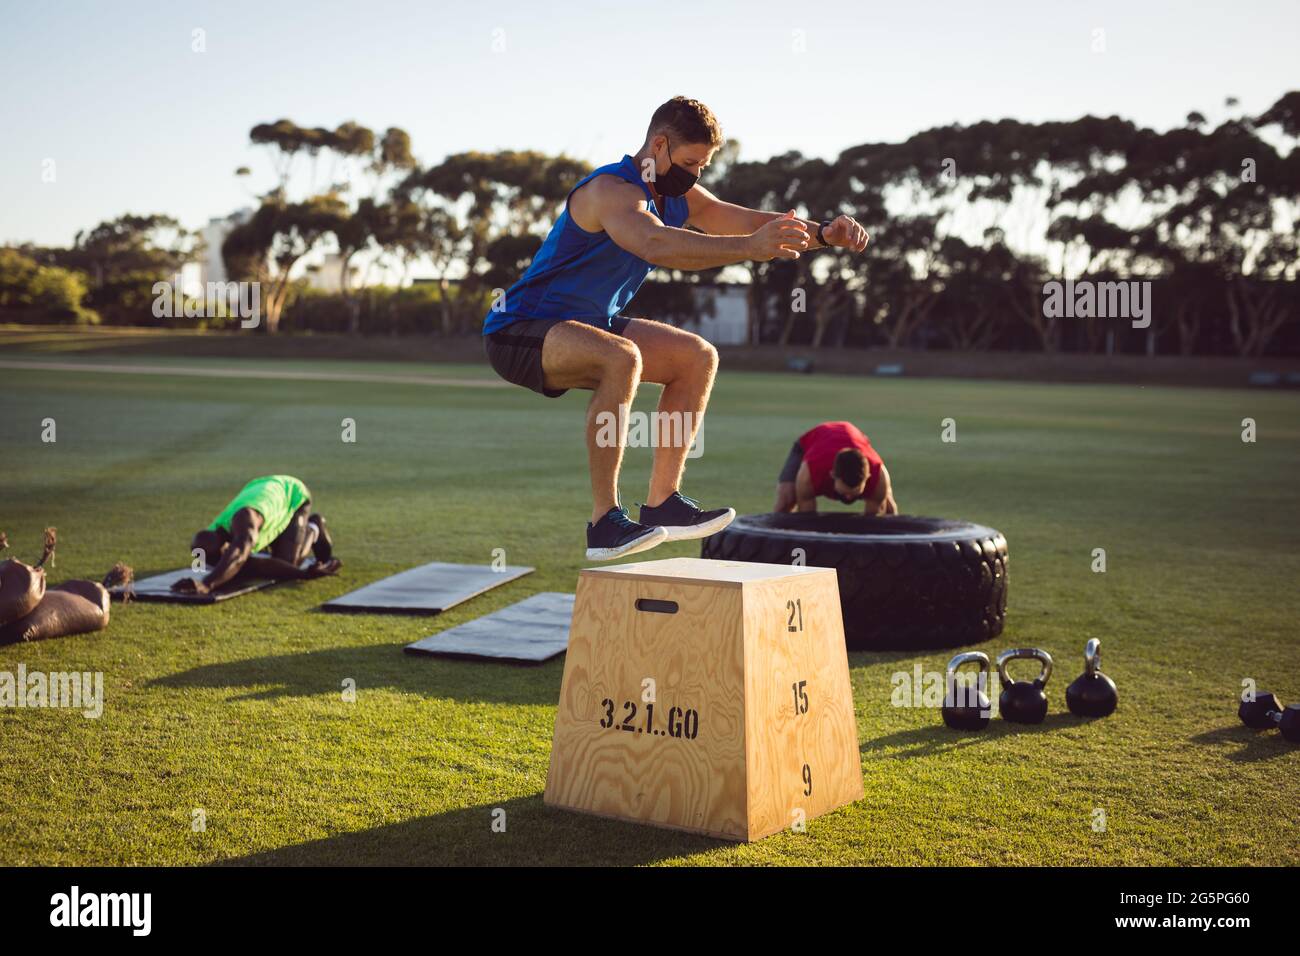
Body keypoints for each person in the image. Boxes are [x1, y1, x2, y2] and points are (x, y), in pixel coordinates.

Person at [483, 96, 870, 560]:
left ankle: (662, 502)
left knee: (696, 358)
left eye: (703, 166)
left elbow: (740, 218)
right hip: (522, 327)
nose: (695, 175)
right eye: (690, 163)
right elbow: (655, 243)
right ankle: (604, 522)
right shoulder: (612, 191)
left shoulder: (676, 196)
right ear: (659, 145)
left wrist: (824, 233)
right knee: (620, 358)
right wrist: (750, 248)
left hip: (590, 324)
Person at [172, 475, 339, 596]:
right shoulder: (216, 530)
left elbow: (239, 556)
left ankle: (313, 526)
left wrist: (207, 584)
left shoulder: (246, 521)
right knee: (243, 563)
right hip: (260, 488)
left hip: (291, 492)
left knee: (288, 563)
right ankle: (284, 537)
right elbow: (239, 559)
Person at [773, 422, 897, 515]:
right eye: (845, 492)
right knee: (786, 499)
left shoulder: (878, 474)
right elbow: (806, 519)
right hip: (811, 443)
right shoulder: (810, 473)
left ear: (868, 477)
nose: (848, 497)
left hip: (859, 441)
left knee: (888, 509)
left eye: (854, 492)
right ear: (832, 475)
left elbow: (874, 524)